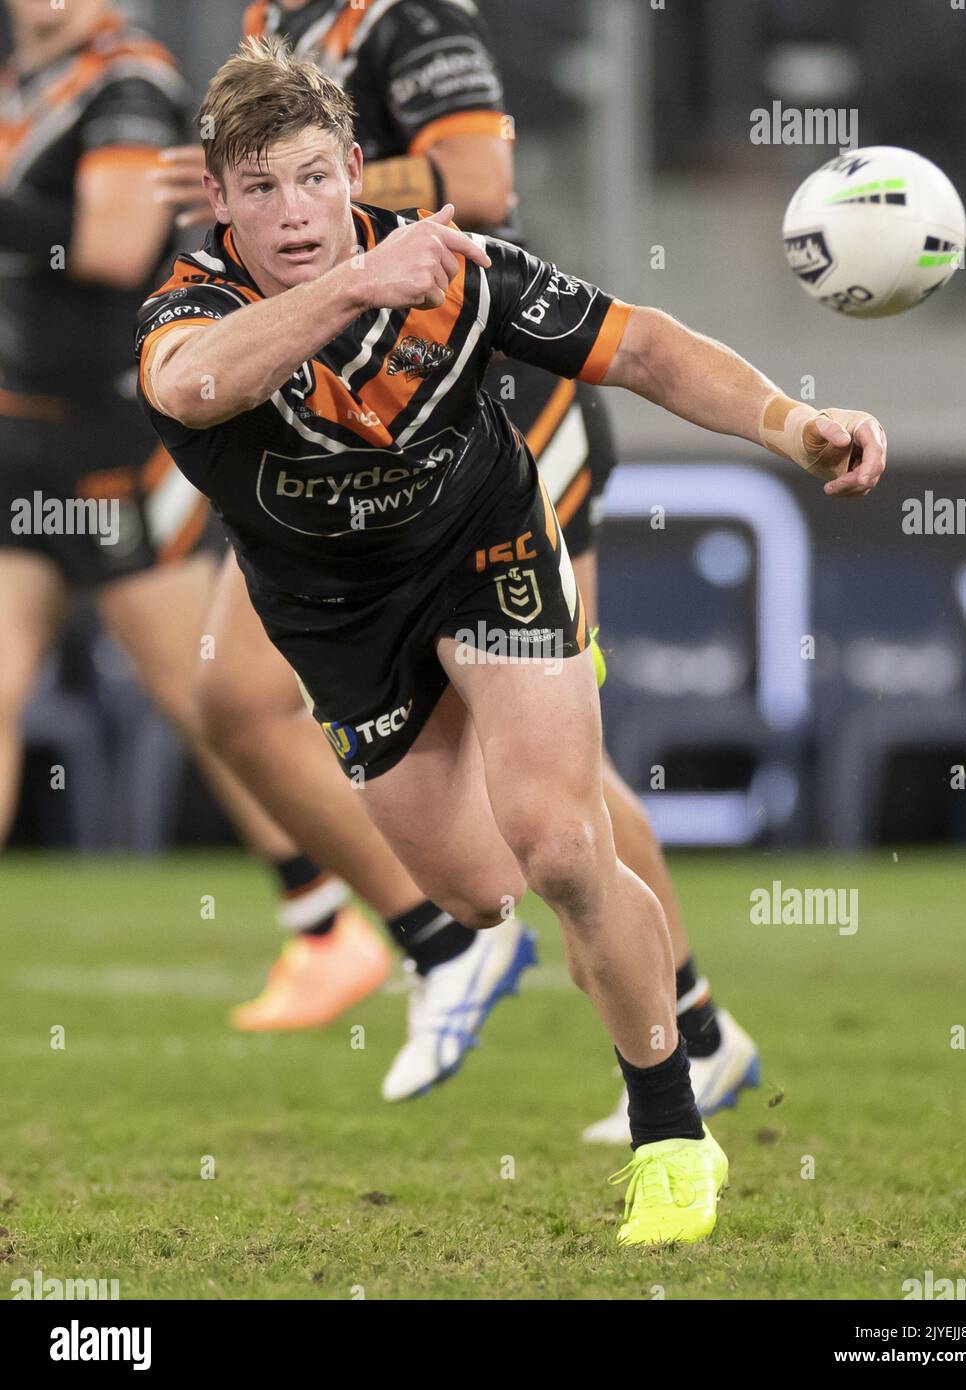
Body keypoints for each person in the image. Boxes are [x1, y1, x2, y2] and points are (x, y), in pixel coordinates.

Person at [135, 38, 886, 1244]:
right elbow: (194, 390)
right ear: (215, 201)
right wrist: (353, 288)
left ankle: (671, 1134)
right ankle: (555, 963)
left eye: (316, 179)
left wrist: (792, 422)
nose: (292, 212)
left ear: (354, 175)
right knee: (480, 894)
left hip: (487, 550)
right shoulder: (188, 308)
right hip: (338, 621)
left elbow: (637, 346)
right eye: (260, 187)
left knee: (558, 842)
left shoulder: (454, 271)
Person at [0, 0, 366, 968]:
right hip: (15, 436)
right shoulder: (17, 79)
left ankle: (347, 921)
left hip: (108, 445)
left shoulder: (128, 82)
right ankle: (337, 929)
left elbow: (113, 245)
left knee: (213, 701)